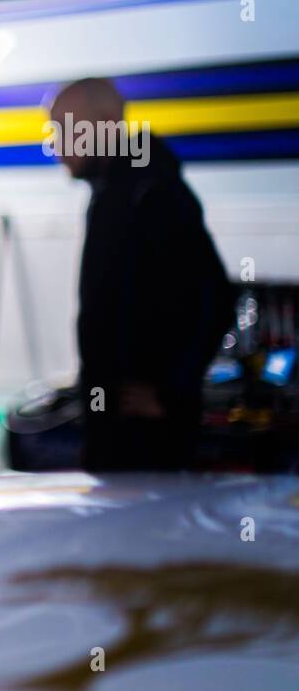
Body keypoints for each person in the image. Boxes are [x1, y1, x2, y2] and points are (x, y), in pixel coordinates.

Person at [48, 78, 234, 471]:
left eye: (64, 129)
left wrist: (169, 393)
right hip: (112, 428)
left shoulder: (152, 192)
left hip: (147, 434)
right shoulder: (113, 192)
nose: (55, 145)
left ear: (105, 122)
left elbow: (215, 297)